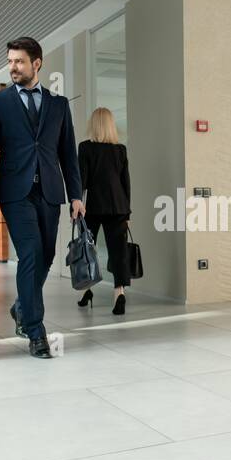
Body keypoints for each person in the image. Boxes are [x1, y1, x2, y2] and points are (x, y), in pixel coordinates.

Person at [0, 37, 84, 359]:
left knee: (47, 255)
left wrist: (76, 195)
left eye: (19, 61)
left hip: (50, 191)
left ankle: (21, 306)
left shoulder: (58, 104)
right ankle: (35, 332)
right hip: (15, 192)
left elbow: (68, 153)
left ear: (37, 63)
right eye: (10, 61)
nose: (13, 67)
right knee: (31, 254)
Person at [76, 107, 133, 315]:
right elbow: (126, 184)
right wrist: (127, 213)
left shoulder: (85, 148)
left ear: (93, 124)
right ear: (110, 125)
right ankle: (119, 293)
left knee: (86, 251)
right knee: (119, 253)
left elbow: (81, 181)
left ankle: (87, 289)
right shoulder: (120, 150)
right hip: (118, 207)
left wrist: (76, 205)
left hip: (92, 207)